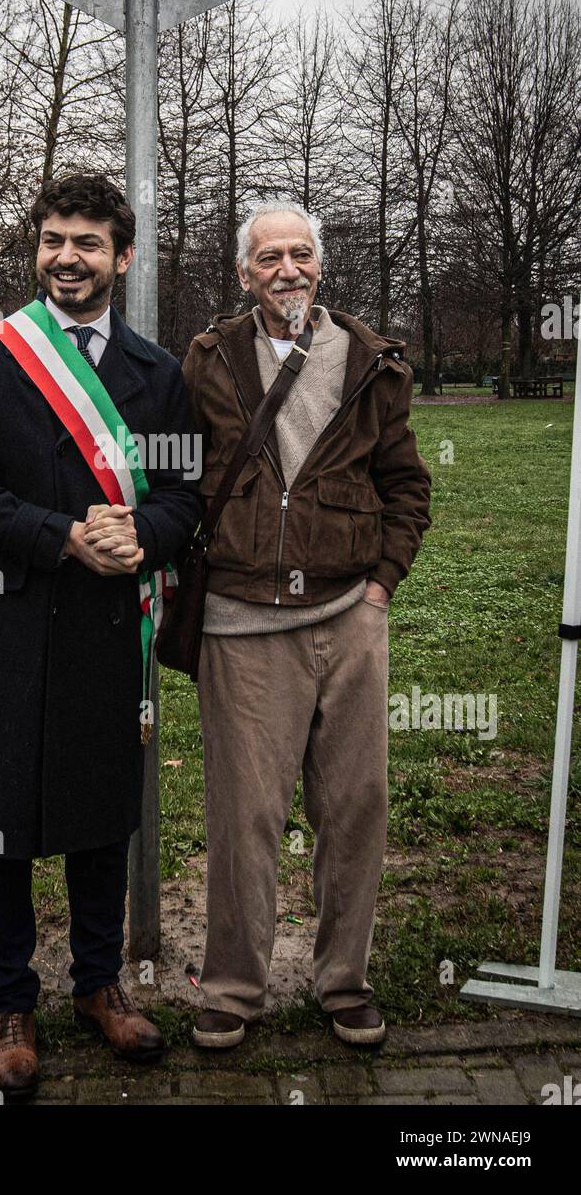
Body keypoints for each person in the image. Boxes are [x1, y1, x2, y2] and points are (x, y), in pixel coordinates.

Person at [0, 173, 201, 1096]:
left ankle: (99, 984)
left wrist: (145, 534)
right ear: (37, 249)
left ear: (122, 258)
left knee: (99, 812)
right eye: (53, 240)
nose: (67, 257)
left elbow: (185, 499)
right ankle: (10, 1002)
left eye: (87, 242)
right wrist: (62, 537)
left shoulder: (158, 376)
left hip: (104, 626)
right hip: (7, 618)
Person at [182, 201, 432, 1049]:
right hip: (241, 622)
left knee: (354, 805)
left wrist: (380, 587)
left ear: (319, 266)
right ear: (244, 274)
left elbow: (407, 487)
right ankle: (231, 988)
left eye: (299, 255)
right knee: (245, 815)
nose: (285, 269)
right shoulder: (210, 358)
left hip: (348, 612)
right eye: (267, 258)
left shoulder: (371, 360)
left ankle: (344, 981)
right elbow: (178, 473)